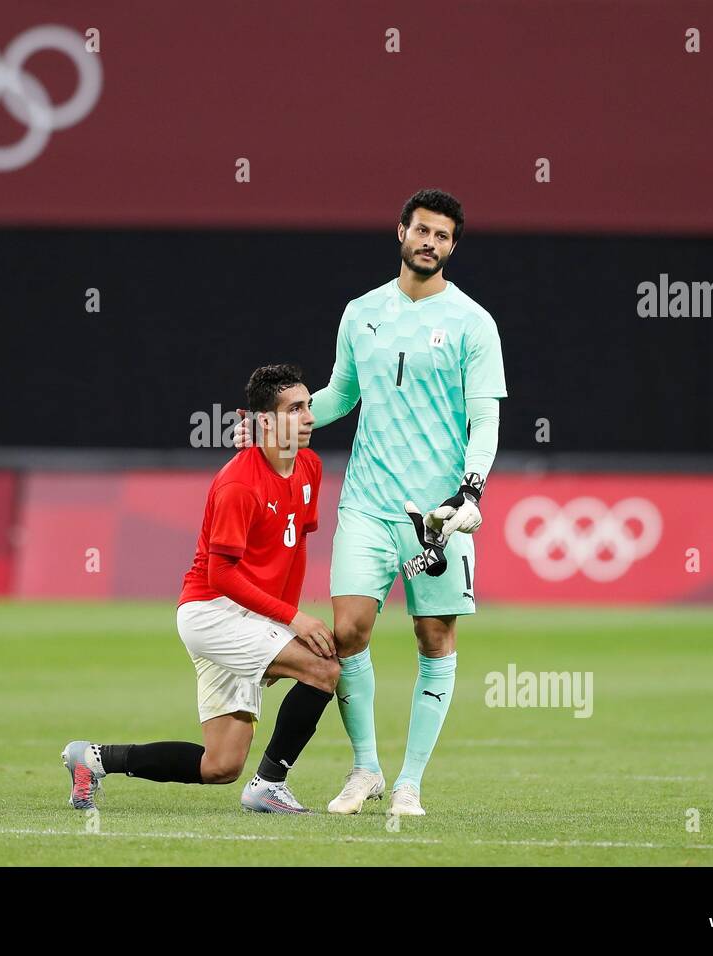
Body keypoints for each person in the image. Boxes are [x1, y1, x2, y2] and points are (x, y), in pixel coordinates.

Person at [234, 189, 507, 816]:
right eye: (422, 231)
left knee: (434, 639)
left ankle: (409, 783)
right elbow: (341, 394)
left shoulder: (474, 323)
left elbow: (483, 420)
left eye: (443, 236)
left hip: (439, 514)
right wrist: (286, 419)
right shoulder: (361, 313)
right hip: (368, 504)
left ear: (452, 247)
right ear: (401, 232)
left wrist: (471, 489)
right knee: (349, 634)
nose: (430, 243)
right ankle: (367, 771)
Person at [63, 364, 339, 813]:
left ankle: (91, 759)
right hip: (213, 613)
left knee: (220, 765)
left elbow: (298, 546)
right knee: (324, 669)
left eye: (308, 406)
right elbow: (221, 575)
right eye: (297, 409)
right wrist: (292, 619)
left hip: (253, 614)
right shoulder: (238, 484)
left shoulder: (310, 466)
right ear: (265, 422)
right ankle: (270, 784)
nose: (309, 417)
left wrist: (278, 623)